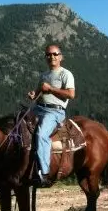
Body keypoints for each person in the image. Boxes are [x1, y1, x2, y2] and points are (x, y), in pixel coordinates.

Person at [28, 43, 75, 187]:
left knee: (41, 135)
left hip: (55, 111)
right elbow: (39, 92)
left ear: (61, 57)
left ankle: (44, 173)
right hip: (39, 107)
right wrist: (33, 95)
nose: (51, 57)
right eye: (48, 54)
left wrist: (50, 89)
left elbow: (71, 94)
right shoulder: (44, 75)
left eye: (55, 54)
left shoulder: (65, 74)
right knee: (18, 126)